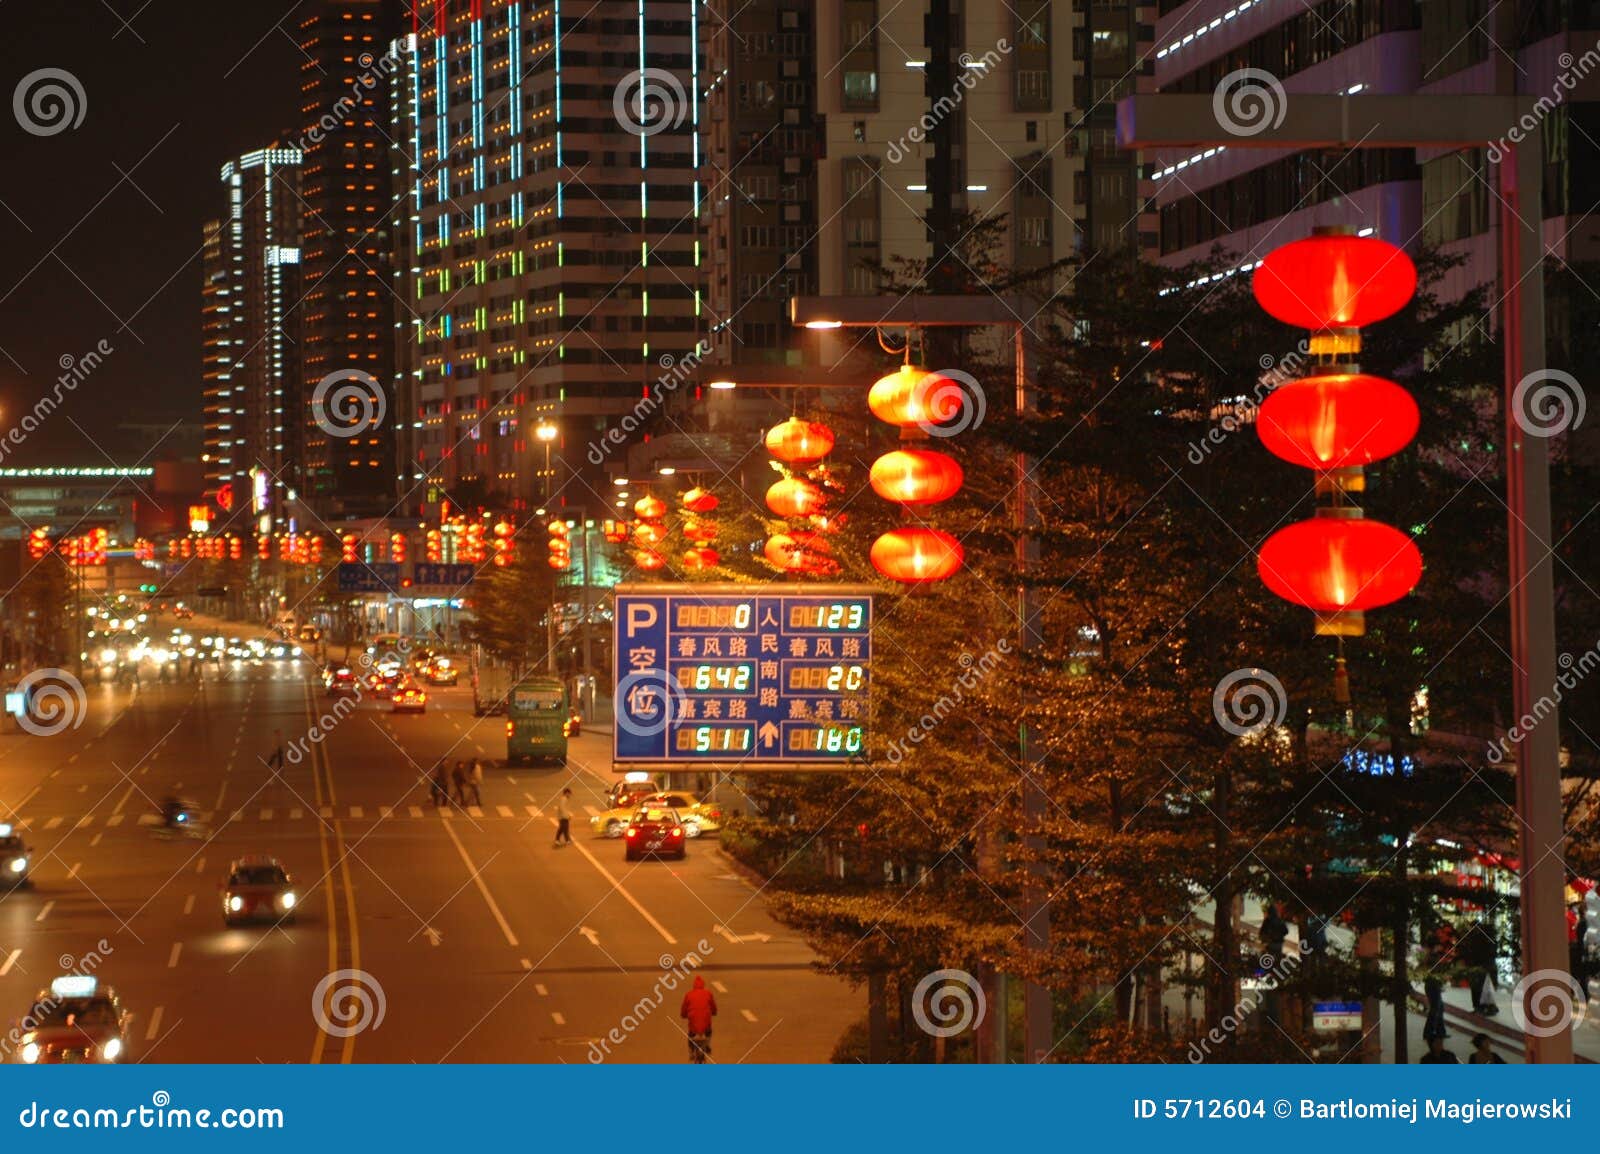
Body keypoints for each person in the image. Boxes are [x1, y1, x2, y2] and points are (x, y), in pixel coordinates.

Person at [680, 974, 717, 1059]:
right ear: (703, 985)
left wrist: (683, 1015)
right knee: (709, 1032)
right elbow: (713, 1007)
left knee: (691, 1035)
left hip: (693, 1024)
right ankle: (707, 1045)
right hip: (706, 1023)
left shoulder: (689, 994)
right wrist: (714, 1012)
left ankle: (691, 1052)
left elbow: (684, 1009)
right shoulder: (708, 993)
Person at [1423, 975, 1448, 1041]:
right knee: (1434, 1011)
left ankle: (1441, 1032)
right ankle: (1428, 1033)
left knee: (1439, 1010)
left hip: (1434, 985)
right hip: (1432, 985)